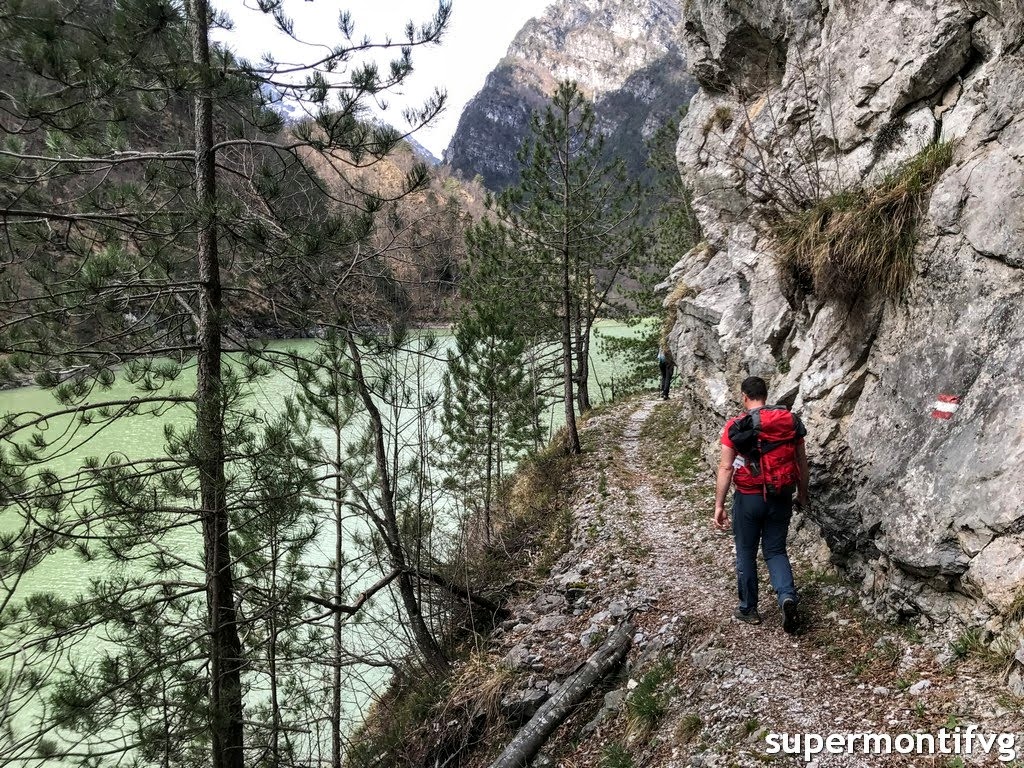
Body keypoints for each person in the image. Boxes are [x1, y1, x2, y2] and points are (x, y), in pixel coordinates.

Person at [712, 376, 809, 633]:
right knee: (776, 551)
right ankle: (786, 597)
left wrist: (719, 505)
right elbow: (801, 462)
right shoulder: (789, 422)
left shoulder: (736, 425)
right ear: (766, 395)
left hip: (748, 498)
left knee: (746, 550)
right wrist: (802, 493)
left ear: (745, 396)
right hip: (781, 495)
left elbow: (725, 467)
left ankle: (748, 609)